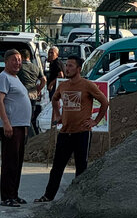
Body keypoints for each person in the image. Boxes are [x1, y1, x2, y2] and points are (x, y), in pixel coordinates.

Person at [34, 56, 108, 203]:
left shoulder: (87, 85)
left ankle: (78, 198)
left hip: (82, 133)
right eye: (66, 65)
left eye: (71, 66)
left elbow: (104, 102)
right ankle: (48, 196)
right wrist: (58, 115)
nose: (67, 69)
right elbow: (55, 99)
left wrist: (95, 121)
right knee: (57, 167)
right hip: (65, 132)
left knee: (81, 168)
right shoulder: (63, 85)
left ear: (79, 69)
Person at [0, 49, 32, 208]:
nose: (17, 63)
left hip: (20, 126)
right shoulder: (3, 77)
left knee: (17, 162)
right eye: (14, 60)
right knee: (10, 163)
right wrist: (6, 122)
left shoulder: (15, 78)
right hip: (11, 126)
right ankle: (6, 196)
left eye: (19, 60)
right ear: (6, 62)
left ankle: (14, 194)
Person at [18, 46, 46, 134]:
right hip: (33, 95)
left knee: (21, 117)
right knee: (30, 116)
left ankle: (26, 135)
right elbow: (44, 80)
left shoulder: (19, 67)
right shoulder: (36, 67)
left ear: (21, 56)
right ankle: (31, 135)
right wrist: (39, 89)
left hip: (22, 95)